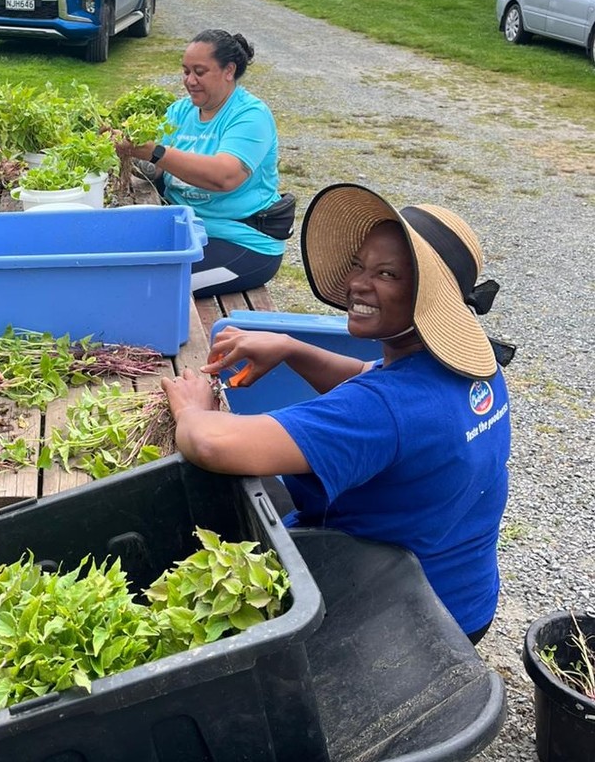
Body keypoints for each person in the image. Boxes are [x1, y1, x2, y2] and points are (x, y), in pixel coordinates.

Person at [162, 183, 512, 643]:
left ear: (430, 300)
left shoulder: (383, 410)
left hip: (403, 622)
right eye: (358, 265)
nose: (358, 285)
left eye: (388, 275)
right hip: (465, 599)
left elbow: (210, 444)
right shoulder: (475, 370)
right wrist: (291, 349)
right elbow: (369, 383)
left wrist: (192, 411)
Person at [116, 29, 286, 297]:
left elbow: (224, 177)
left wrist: (155, 151)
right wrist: (121, 147)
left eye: (199, 72)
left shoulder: (251, 116)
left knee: (150, 289)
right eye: (185, 71)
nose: (189, 81)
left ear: (229, 70)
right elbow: (156, 168)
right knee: (112, 260)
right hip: (184, 229)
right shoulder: (181, 111)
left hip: (239, 242)